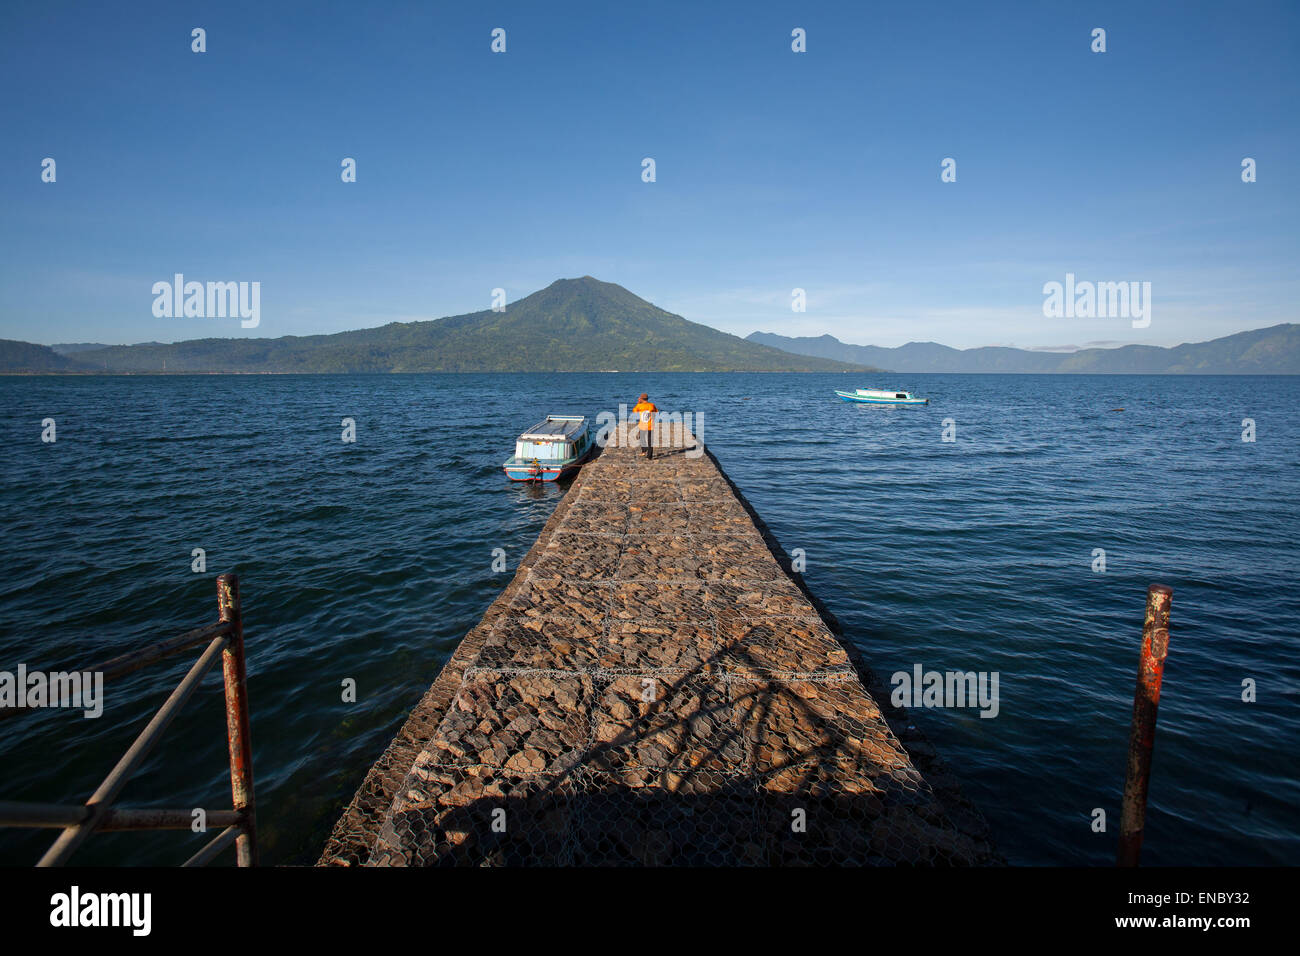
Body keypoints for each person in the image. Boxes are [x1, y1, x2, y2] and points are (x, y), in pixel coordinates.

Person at [632, 392, 658, 460]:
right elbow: (656, 412)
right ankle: (649, 456)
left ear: (641, 399)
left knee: (642, 438)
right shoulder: (652, 405)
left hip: (643, 425)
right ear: (647, 398)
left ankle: (644, 451)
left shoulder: (639, 406)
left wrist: (638, 402)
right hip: (650, 425)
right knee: (650, 441)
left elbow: (634, 411)